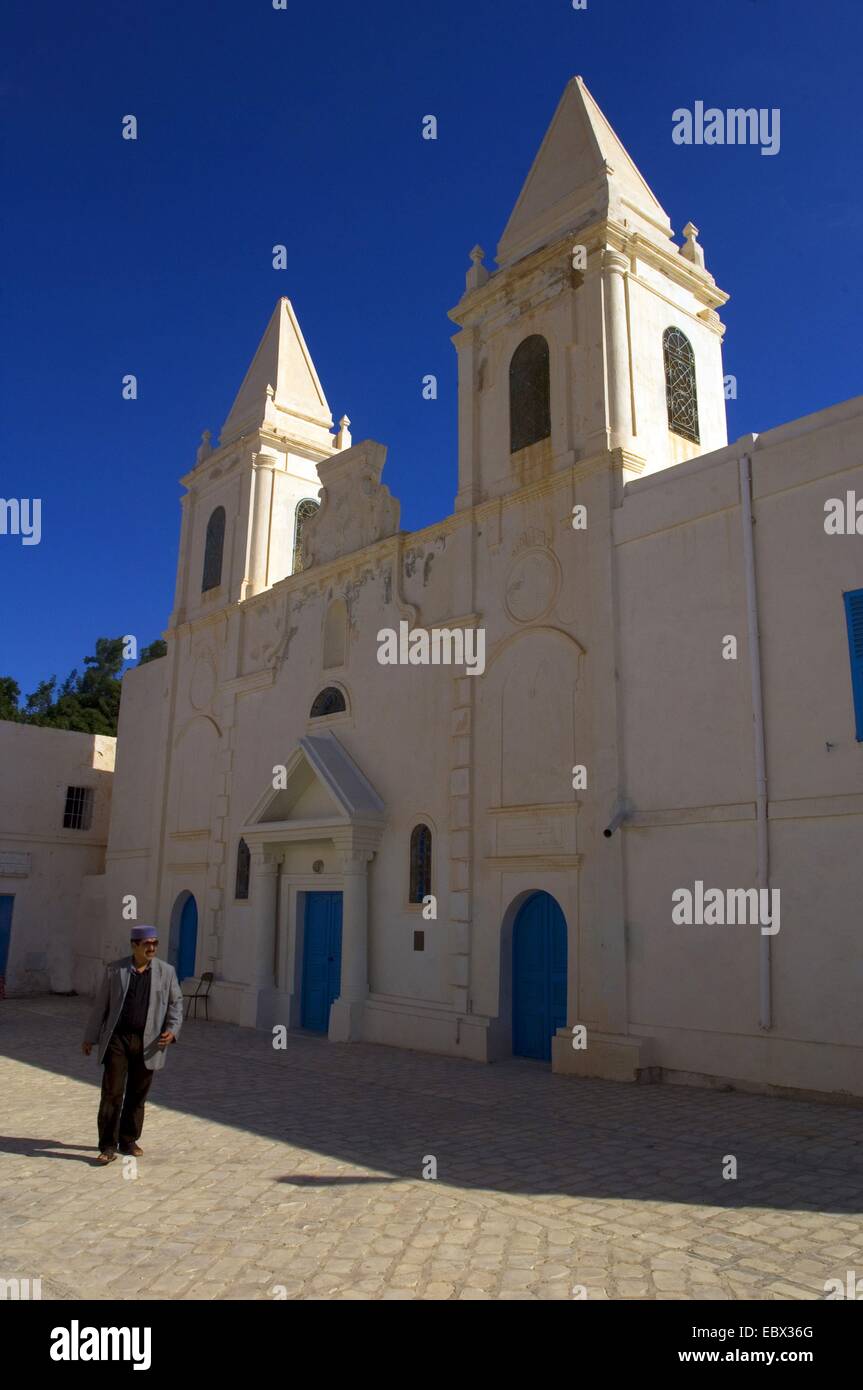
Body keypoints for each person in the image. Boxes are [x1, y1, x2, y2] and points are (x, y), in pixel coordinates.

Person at [82, 925, 184, 1165]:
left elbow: (176, 1003)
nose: (152, 948)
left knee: (138, 1094)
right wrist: (90, 1036)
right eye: (147, 944)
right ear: (134, 945)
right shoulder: (115, 970)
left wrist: (172, 1030)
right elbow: (101, 1006)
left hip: (149, 1041)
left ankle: (128, 1139)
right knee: (112, 1092)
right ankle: (107, 1144)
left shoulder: (166, 972)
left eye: (155, 943)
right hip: (118, 1039)